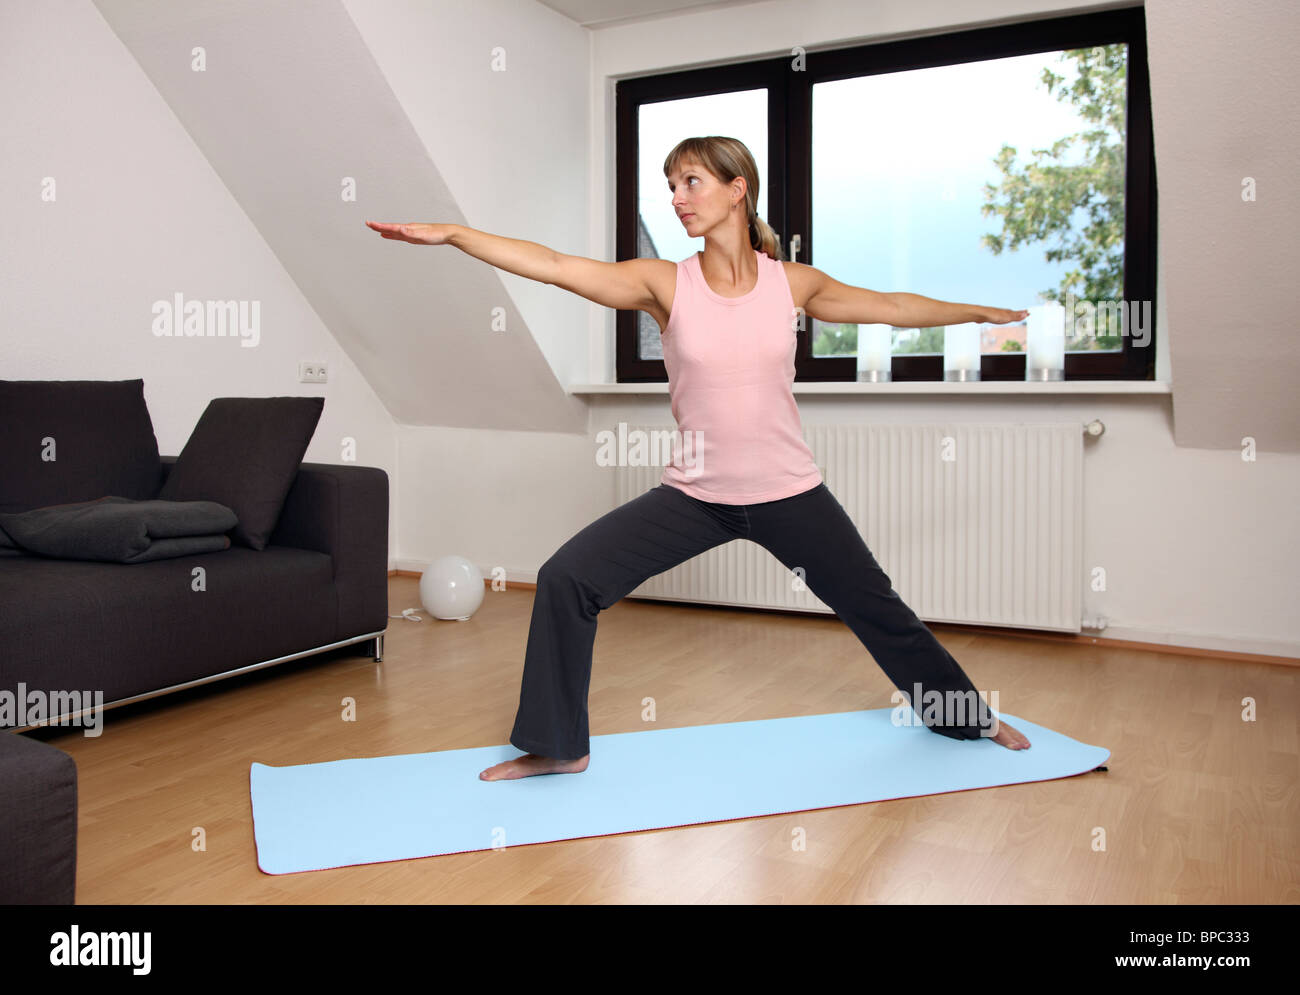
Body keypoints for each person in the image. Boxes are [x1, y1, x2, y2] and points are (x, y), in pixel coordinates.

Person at [367, 135, 1032, 782]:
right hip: (696, 496)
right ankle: (557, 745)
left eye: (692, 182)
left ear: (737, 189)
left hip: (789, 493)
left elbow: (890, 307)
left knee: (879, 609)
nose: (678, 199)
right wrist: (456, 234)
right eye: (671, 186)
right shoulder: (665, 282)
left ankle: (966, 719)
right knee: (568, 578)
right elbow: (557, 265)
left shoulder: (791, 284)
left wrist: (974, 310)